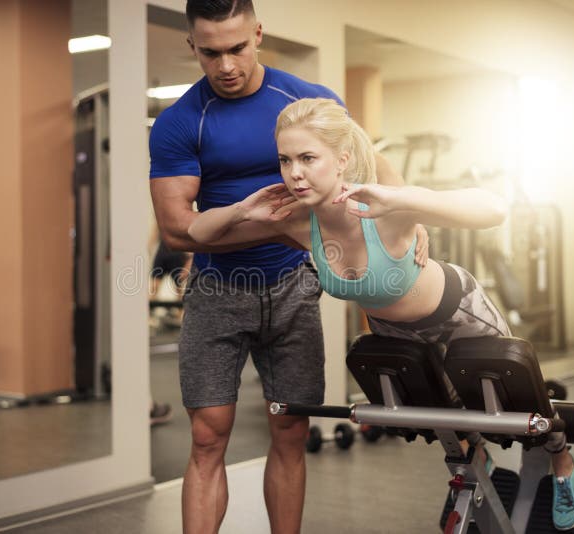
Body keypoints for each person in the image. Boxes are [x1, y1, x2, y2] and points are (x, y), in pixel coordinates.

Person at [188, 97, 574, 531]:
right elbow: (197, 233)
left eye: (308, 158)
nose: (295, 172)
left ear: (342, 160)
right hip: (394, 331)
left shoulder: (380, 210)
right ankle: (477, 457)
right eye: (285, 160)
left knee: (522, 408)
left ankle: (564, 463)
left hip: (457, 313)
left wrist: (399, 197)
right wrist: (243, 210)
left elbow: (494, 209)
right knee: (438, 416)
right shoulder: (296, 221)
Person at [149, 2, 427, 532]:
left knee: (291, 430)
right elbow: (177, 230)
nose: (226, 65)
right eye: (210, 52)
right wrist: (278, 227)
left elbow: (370, 163)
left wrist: (409, 216)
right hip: (218, 288)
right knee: (207, 436)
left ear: (258, 33)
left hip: (293, 285)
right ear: (192, 46)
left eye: (237, 48)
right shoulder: (180, 122)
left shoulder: (306, 101)